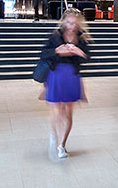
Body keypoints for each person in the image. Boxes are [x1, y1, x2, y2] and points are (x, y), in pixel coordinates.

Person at [39, 8, 91, 161]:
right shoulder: (56, 36)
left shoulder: (81, 39)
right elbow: (44, 54)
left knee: (67, 111)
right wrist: (57, 50)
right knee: (57, 110)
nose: (71, 26)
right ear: (64, 22)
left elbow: (87, 57)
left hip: (71, 76)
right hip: (55, 75)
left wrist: (79, 52)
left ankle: (62, 144)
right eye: (68, 22)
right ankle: (54, 135)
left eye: (74, 23)